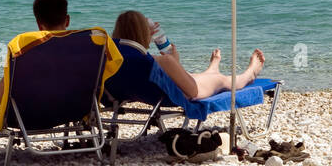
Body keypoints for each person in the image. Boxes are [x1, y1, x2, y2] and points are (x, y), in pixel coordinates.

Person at [111, 9, 264, 101]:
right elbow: (191, 91)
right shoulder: (161, 61)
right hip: (173, 95)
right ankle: (249, 74)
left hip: (131, 94)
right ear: (144, 35)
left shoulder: (110, 58)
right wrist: (173, 60)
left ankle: (211, 70)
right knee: (220, 80)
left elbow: (137, 56)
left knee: (198, 75)